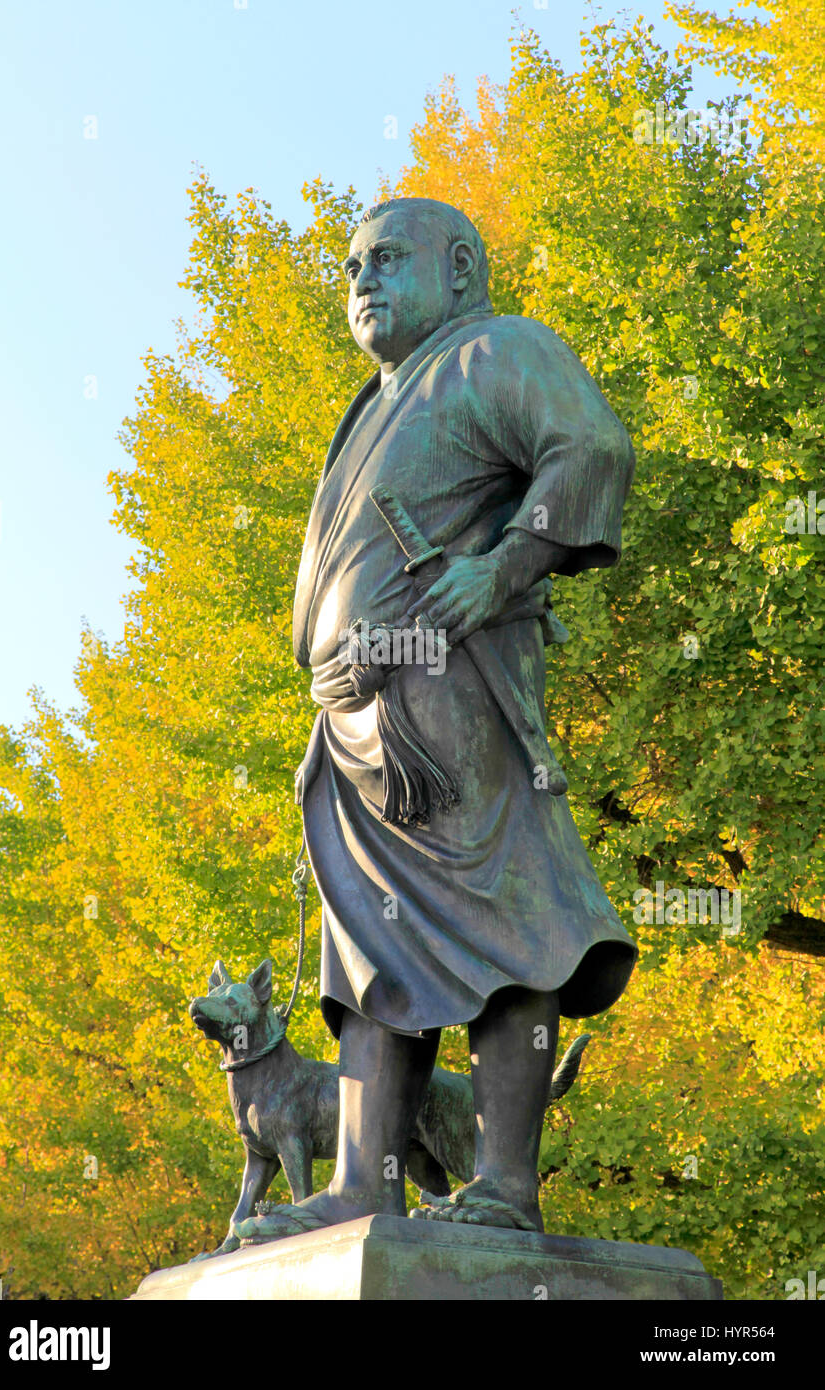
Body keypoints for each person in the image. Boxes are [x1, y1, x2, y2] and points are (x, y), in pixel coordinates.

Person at [237, 196, 637, 1242]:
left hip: (454, 687)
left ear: (459, 269)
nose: (361, 279)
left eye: (386, 259)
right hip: (355, 724)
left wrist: (502, 568)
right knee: (372, 952)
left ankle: (503, 1183)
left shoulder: (493, 352)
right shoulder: (371, 405)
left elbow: (591, 449)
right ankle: (362, 1184)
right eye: (349, 266)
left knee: (503, 923)